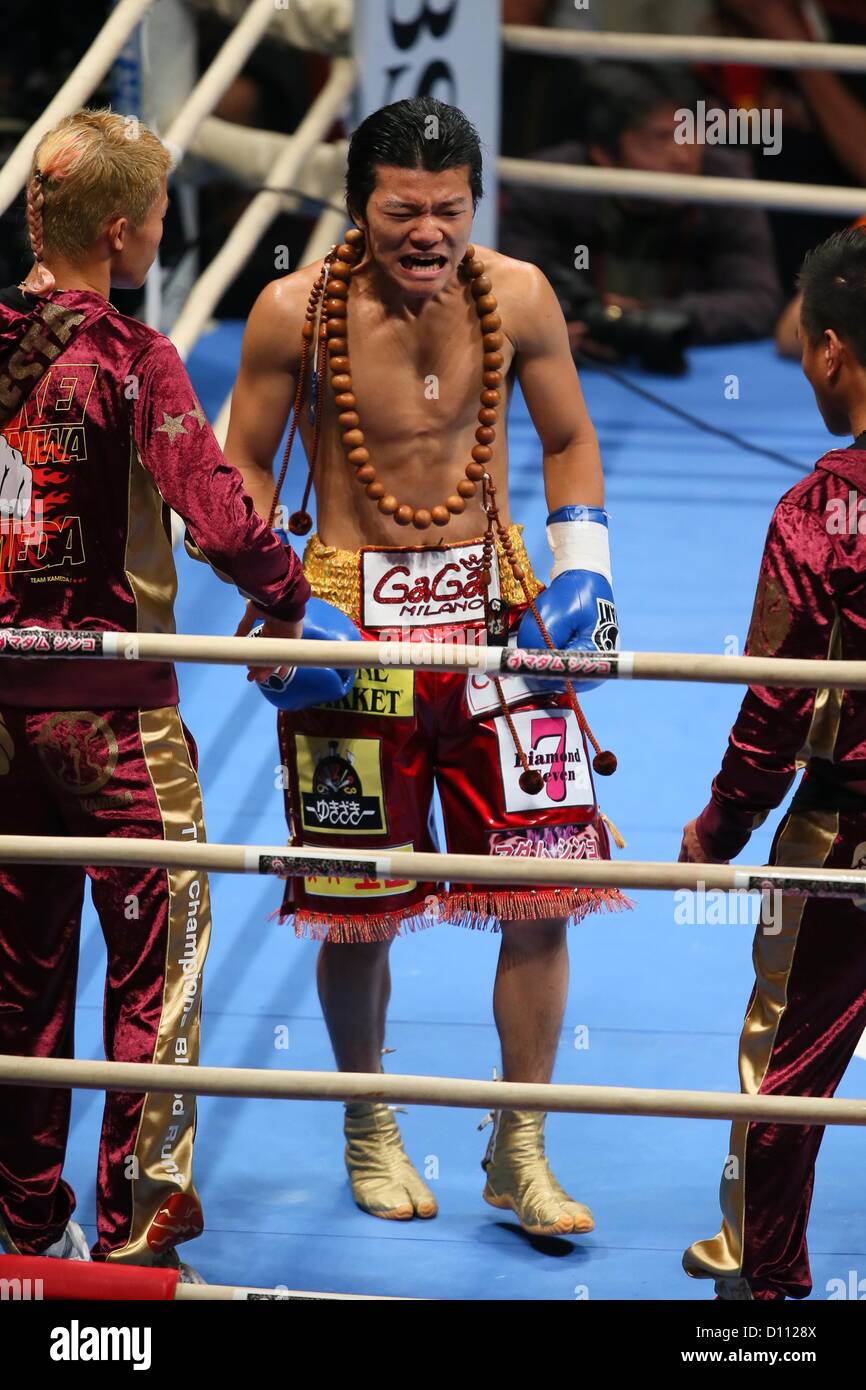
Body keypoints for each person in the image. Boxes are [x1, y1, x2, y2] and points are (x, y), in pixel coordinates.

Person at [225, 96, 626, 1238]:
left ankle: (520, 1141)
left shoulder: (521, 295)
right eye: (403, 209)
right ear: (358, 205)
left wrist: (583, 563)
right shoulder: (289, 311)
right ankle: (368, 1123)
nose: (427, 231)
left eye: (449, 209)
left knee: (543, 888)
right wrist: (278, 599)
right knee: (357, 908)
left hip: (499, 612)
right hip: (348, 628)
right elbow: (238, 463)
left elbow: (565, 438)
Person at [0, 110, 309, 1278]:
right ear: (120, 233)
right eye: (164, 214)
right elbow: (223, 519)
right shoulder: (134, 360)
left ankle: (28, 1221)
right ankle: (138, 1220)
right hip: (110, 718)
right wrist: (287, 591)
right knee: (160, 947)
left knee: (19, 967)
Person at [679, 227, 866, 1300]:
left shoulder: (819, 510)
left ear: (832, 352)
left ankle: (763, 1284)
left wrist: (719, 826)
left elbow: (777, 701)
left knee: (787, 1060)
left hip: (842, 828)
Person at [500, 63, 781, 353]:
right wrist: (558, 322)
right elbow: (514, 292)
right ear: (604, 154)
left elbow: (757, 301)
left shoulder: (722, 180)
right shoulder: (550, 184)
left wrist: (647, 316)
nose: (684, 156)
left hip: (691, 370)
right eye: (660, 139)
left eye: (689, 131)